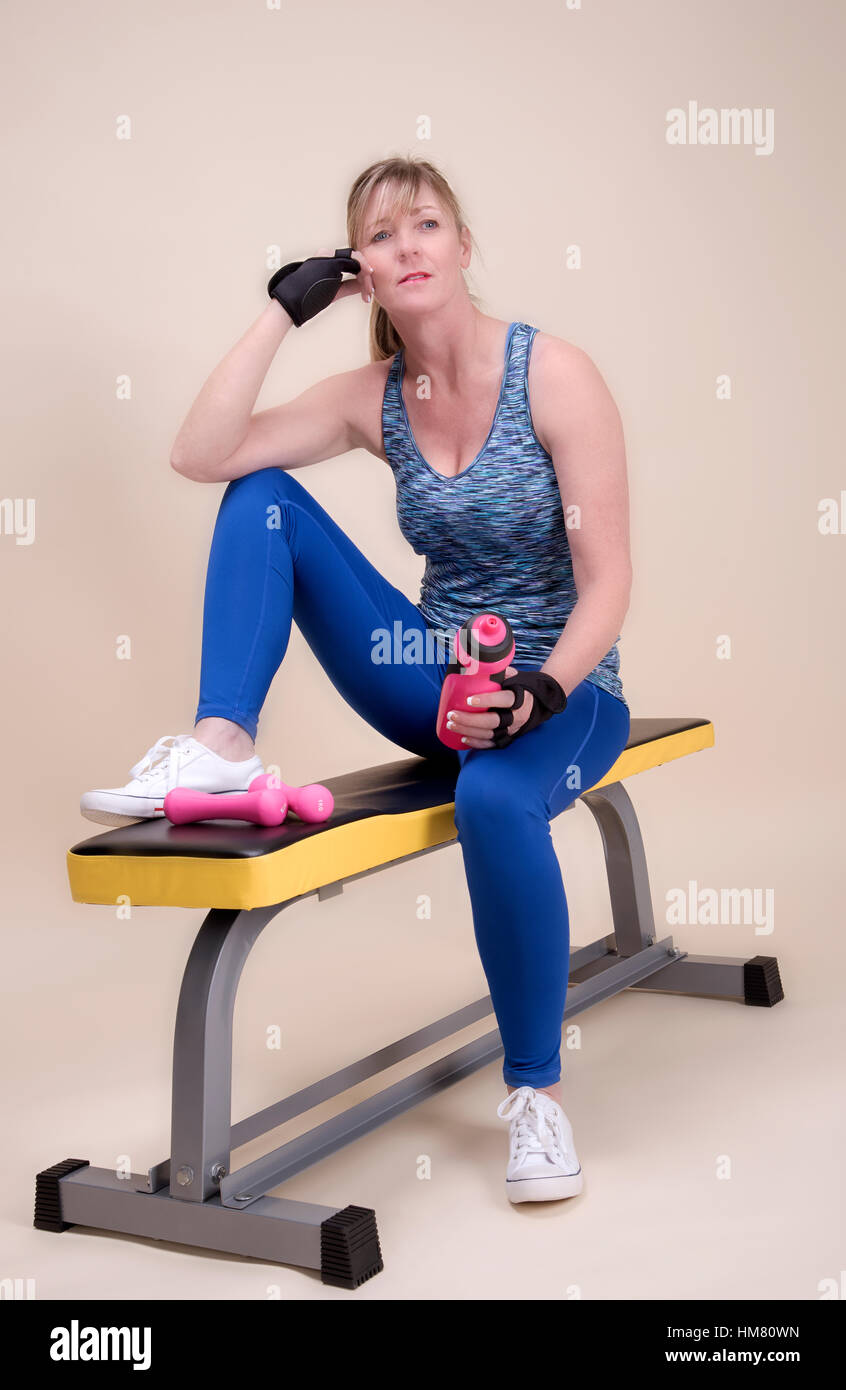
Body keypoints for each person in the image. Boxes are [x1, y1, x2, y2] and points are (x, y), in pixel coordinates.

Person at [80, 155, 633, 1205]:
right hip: (436, 677)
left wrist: (541, 695)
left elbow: (609, 580)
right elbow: (202, 456)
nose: (406, 245)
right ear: (361, 274)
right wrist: (279, 316)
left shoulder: (552, 375)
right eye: (379, 237)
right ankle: (222, 747)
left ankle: (535, 1098)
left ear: (462, 246)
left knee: (493, 796)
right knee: (263, 497)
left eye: (424, 224)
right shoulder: (373, 396)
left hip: (564, 687)